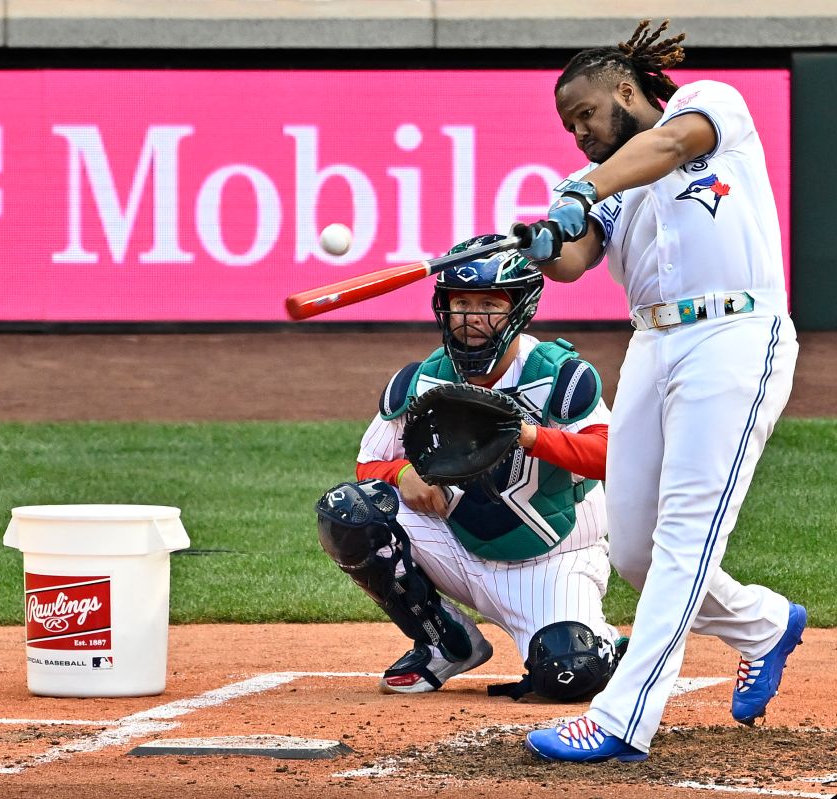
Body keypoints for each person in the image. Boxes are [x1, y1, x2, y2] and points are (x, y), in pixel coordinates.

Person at [514, 20, 805, 763]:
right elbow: (579, 258)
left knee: (683, 536)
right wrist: (549, 243)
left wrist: (581, 187)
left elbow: (671, 148)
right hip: (652, 345)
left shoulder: (710, 106)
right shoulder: (608, 183)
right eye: (568, 127)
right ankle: (762, 624)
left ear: (623, 88)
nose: (580, 135)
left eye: (585, 115)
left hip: (735, 334)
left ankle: (623, 716)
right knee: (637, 546)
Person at [315, 234, 625, 703]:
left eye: (488, 304)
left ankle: (604, 644)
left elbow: (611, 458)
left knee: (569, 676)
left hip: (551, 563)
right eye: (461, 304)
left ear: (519, 308)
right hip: (456, 547)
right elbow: (368, 463)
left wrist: (528, 436)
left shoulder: (559, 377)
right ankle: (445, 642)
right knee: (349, 512)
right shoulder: (422, 379)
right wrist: (402, 474)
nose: (471, 319)